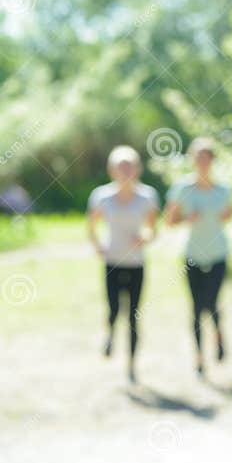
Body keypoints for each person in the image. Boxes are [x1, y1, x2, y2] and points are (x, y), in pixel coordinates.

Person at [87, 145, 158, 383]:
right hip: (112, 262)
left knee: (133, 315)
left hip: (136, 263)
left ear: (137, 169)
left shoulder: (147, 196)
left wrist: (145, 238)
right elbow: (92, 224)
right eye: (120, 166)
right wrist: (98, 245)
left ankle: (132, 364)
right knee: (114, 309)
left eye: (129, 166)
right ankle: (109, 334)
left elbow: (152, 229)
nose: (125, 171)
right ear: (112, 170)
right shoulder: (101, 196)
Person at [164, 137, 232, 376]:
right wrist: (186, 218)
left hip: (218, 254)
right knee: (195, 307)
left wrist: (225, 216)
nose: (202, 162)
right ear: (192, 160)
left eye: (207, 158)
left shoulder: (223, 190)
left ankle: (218, 336)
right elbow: (169, 221)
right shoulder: (182, 189)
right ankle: (199, 356)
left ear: (212, 161)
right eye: (198, 158)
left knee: (212, 303)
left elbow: (227, 216)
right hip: (192, 254)